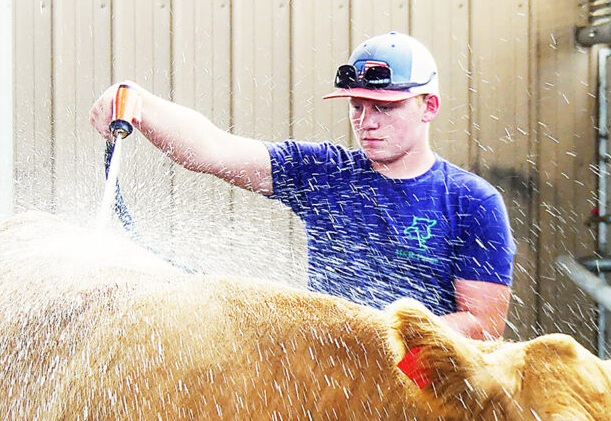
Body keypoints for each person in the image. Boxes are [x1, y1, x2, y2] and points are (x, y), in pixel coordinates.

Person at [89, 31, 515, 339]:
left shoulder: (472, 202)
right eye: (358, 106)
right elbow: (212, 150)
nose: (366, 122)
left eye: (386, 107)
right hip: (326, 392)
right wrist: (139, 104)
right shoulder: (324, 173)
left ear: (430, 106)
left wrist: (378, 337)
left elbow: (482, 327)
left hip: (422, 403)